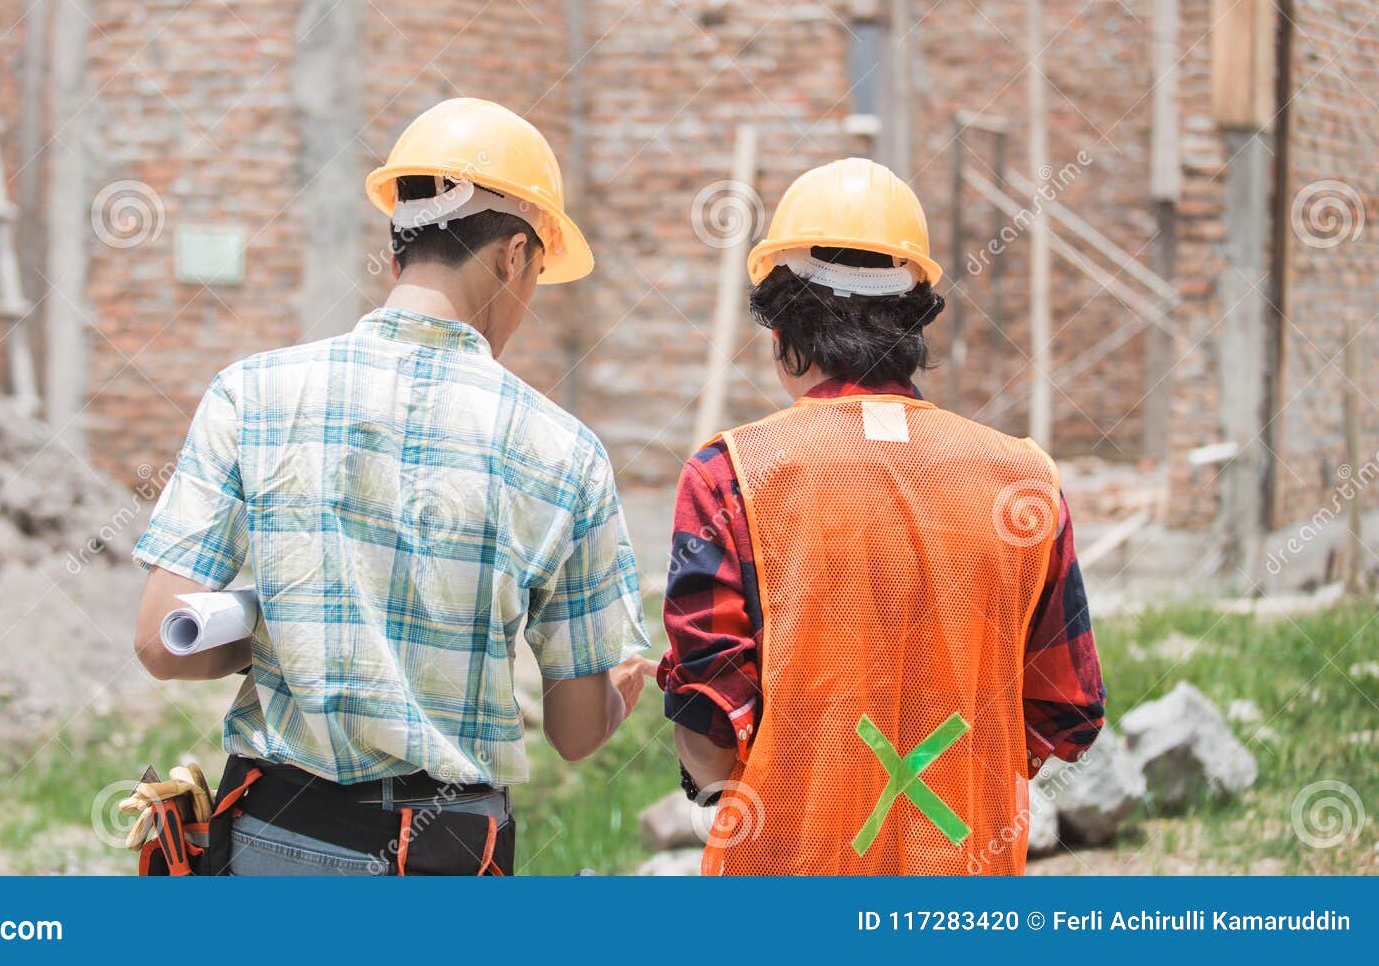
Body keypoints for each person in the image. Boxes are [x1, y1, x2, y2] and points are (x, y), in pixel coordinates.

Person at [132, 97, 652, 876]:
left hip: (273, 836)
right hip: (442, 857)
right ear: (513, 256)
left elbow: (160, 643)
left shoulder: (253, 394)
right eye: (538, 270)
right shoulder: (563, 452)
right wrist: (618, 687)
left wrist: (290, 631)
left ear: (403, 238)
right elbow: (576, 732)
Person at [658, 157, 1105, 875]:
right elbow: (1068, 712)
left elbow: (710, 741)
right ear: (916, 320)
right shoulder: (1025, 481)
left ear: (781, 329)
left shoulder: (729, 478)